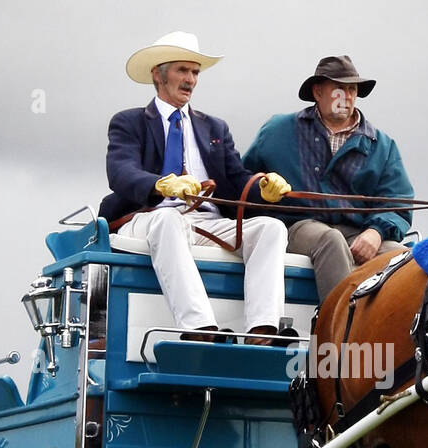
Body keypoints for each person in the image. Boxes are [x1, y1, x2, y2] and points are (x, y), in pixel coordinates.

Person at [99, 31, 294, 346]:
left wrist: (263, 188)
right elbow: (120, 172)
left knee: (271, 228)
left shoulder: (214, 127)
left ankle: (263, 330)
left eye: (195, 72)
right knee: (168, 220)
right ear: (158, 74)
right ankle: (199, 327)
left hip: (207, 221)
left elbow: (235, 179)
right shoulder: (129, 122)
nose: (190, 79)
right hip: (149, 218)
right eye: (182, 70)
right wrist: (162, 184)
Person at [243, 54, 414, 299]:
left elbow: (398, 203)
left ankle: (397, 333)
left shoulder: (382, 145)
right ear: (318, 92)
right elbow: (243, 181)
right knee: (330, 240)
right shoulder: (278, 130)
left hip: (358, 230)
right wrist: (262, 188)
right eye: (338, 88)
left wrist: (375, 232)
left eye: (352, 89)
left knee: (402, 257)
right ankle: (342, 329)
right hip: (298, 227)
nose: (346, 96)